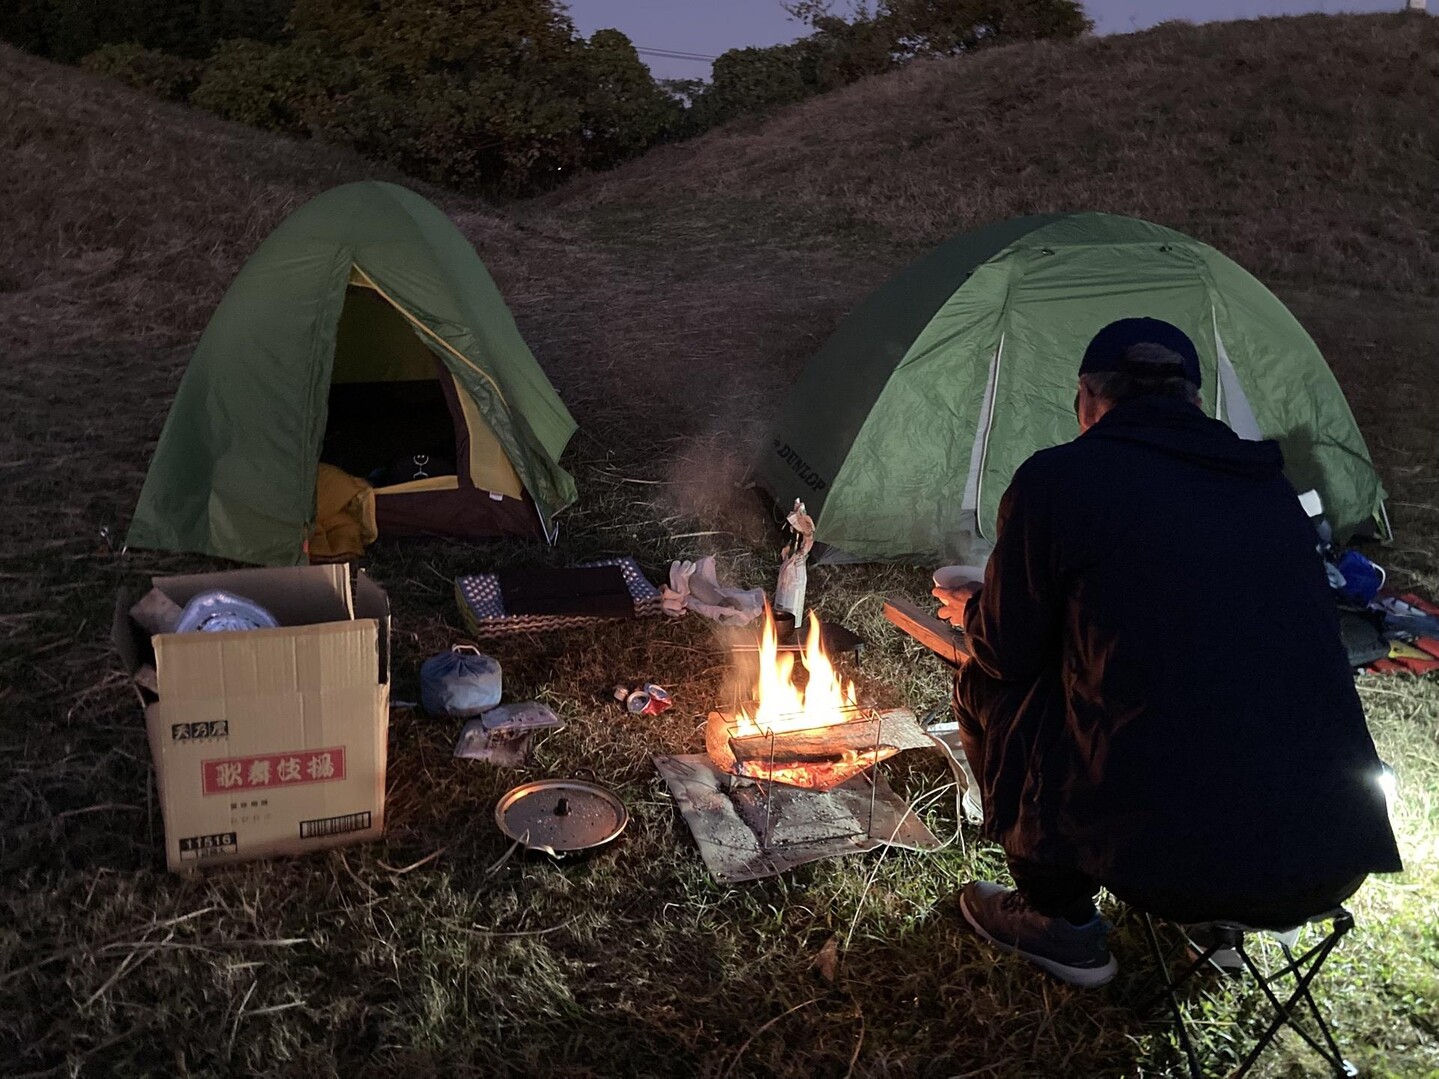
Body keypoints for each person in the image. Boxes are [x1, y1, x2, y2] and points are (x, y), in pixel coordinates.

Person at [933, 317, 1402, 988]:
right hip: (1329, 855)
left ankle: (1058, 917)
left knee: (991, 683)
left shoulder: (1060, 479)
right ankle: (1221, 928)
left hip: (1165, 864)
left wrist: (973, 608)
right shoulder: (1267, 485)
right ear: (1195, 402)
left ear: (1087, 400)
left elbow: (1006, 650)